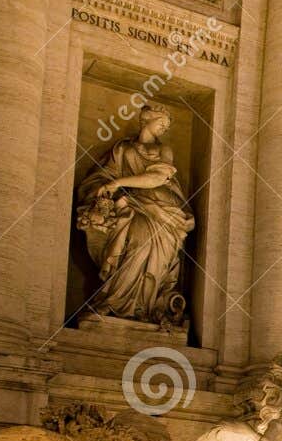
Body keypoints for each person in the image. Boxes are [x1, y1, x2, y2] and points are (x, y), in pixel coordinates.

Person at [76, 106, 195, 326]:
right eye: (161, 121)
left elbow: (159, 177)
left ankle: (145, 307)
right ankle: (116, 302)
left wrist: (119, 182)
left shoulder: (164, 149)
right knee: (138, 240)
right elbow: (100, 176)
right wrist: (107, 188)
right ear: (146, 119)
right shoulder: (122, 148)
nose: (164, 127)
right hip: (132, 206)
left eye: (167, 125)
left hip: (163, 208)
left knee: (157, 252)